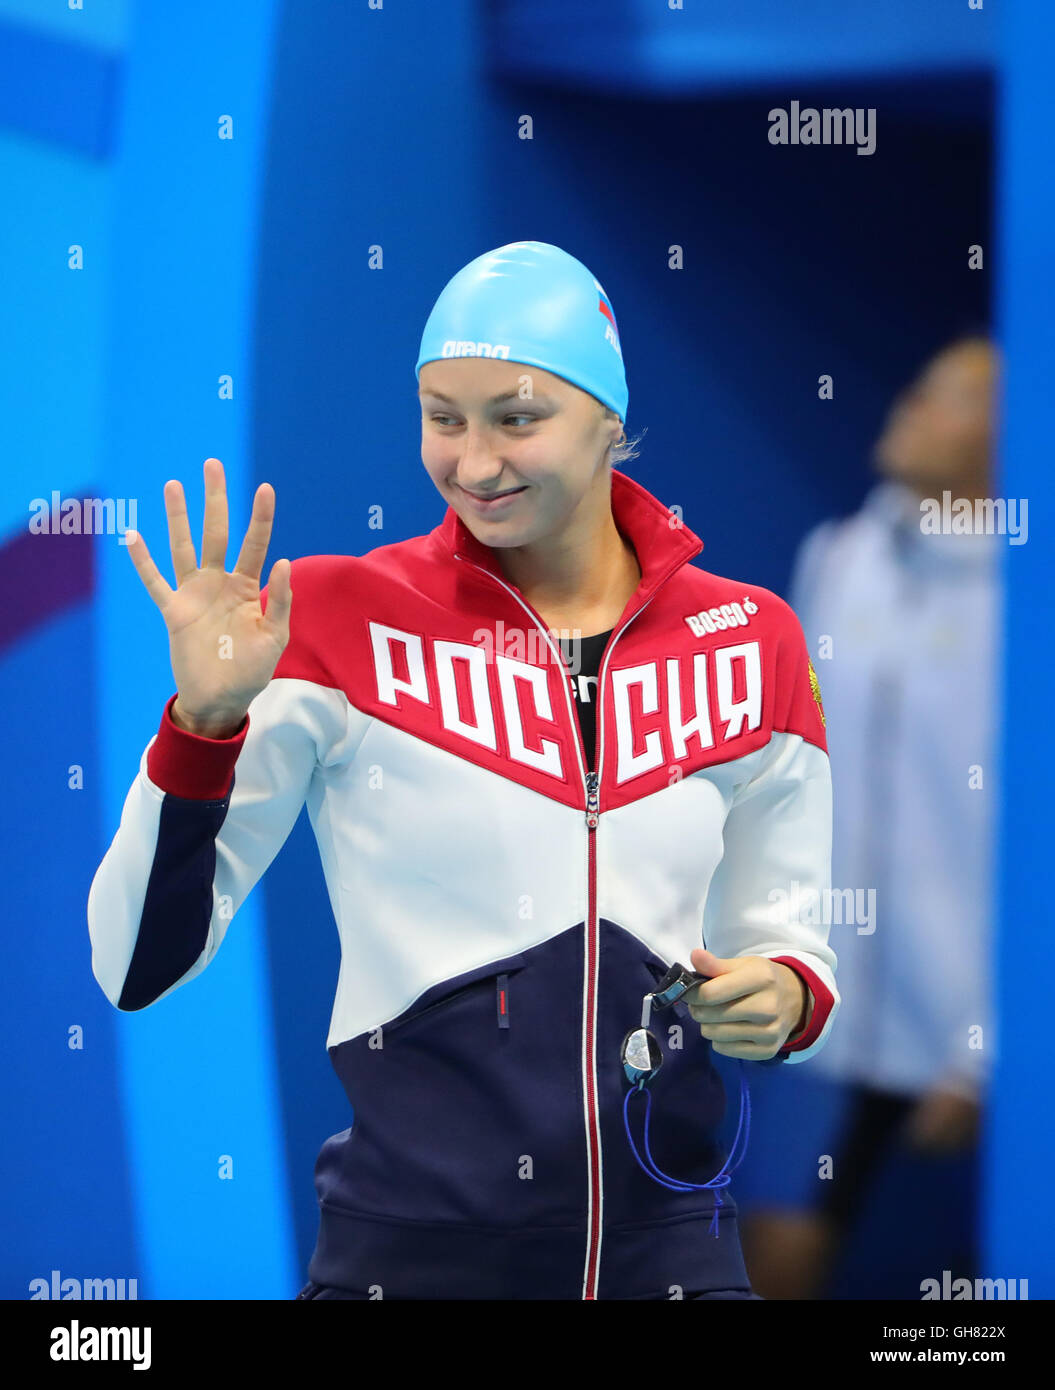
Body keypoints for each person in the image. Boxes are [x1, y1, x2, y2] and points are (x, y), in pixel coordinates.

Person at [87, 241, 838, 1301]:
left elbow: (788, 936)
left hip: (675, 1256)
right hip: (411, 1262)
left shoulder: (747, 637)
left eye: (516, 418)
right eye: (443, 417)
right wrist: (202, 727)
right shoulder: (333, 619)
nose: (473, 462)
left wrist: (787, 996)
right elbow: (136, 965)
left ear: (609, 422)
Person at [738, 336, 999, 1299]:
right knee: (775, 1256)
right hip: (833, 1002)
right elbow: (793, 765)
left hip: (979, 1019)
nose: (907, 407)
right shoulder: (839, 554)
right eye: (918, 383)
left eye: (946, 398)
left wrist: (989, 1048)